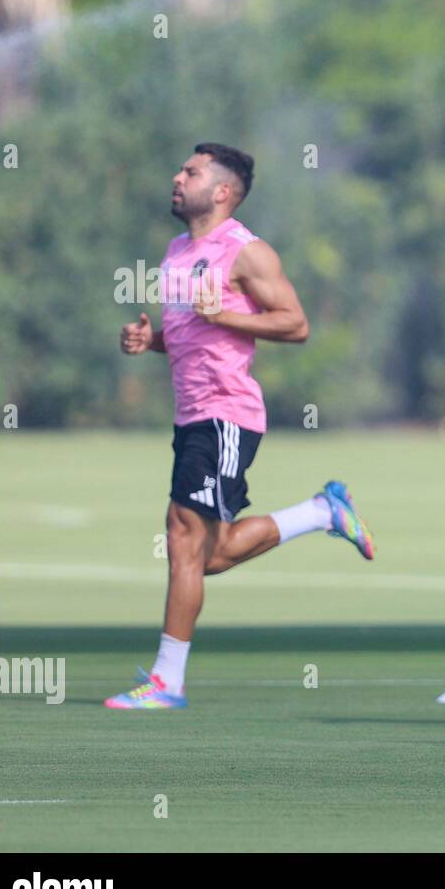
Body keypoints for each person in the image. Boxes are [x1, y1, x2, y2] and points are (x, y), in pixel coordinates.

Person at [106, 143, 375, 710]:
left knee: (182, 531)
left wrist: (223, 313)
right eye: (180, 168)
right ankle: (324, 511)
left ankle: (166, 683)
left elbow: (295, 324)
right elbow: (191, 337)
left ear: (223, 191)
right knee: (208, 554)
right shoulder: (178, 251)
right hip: (191, 417)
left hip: (226, 413)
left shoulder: (245, 252)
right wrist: (149, 342)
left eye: (191, 172)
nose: (177, 177)